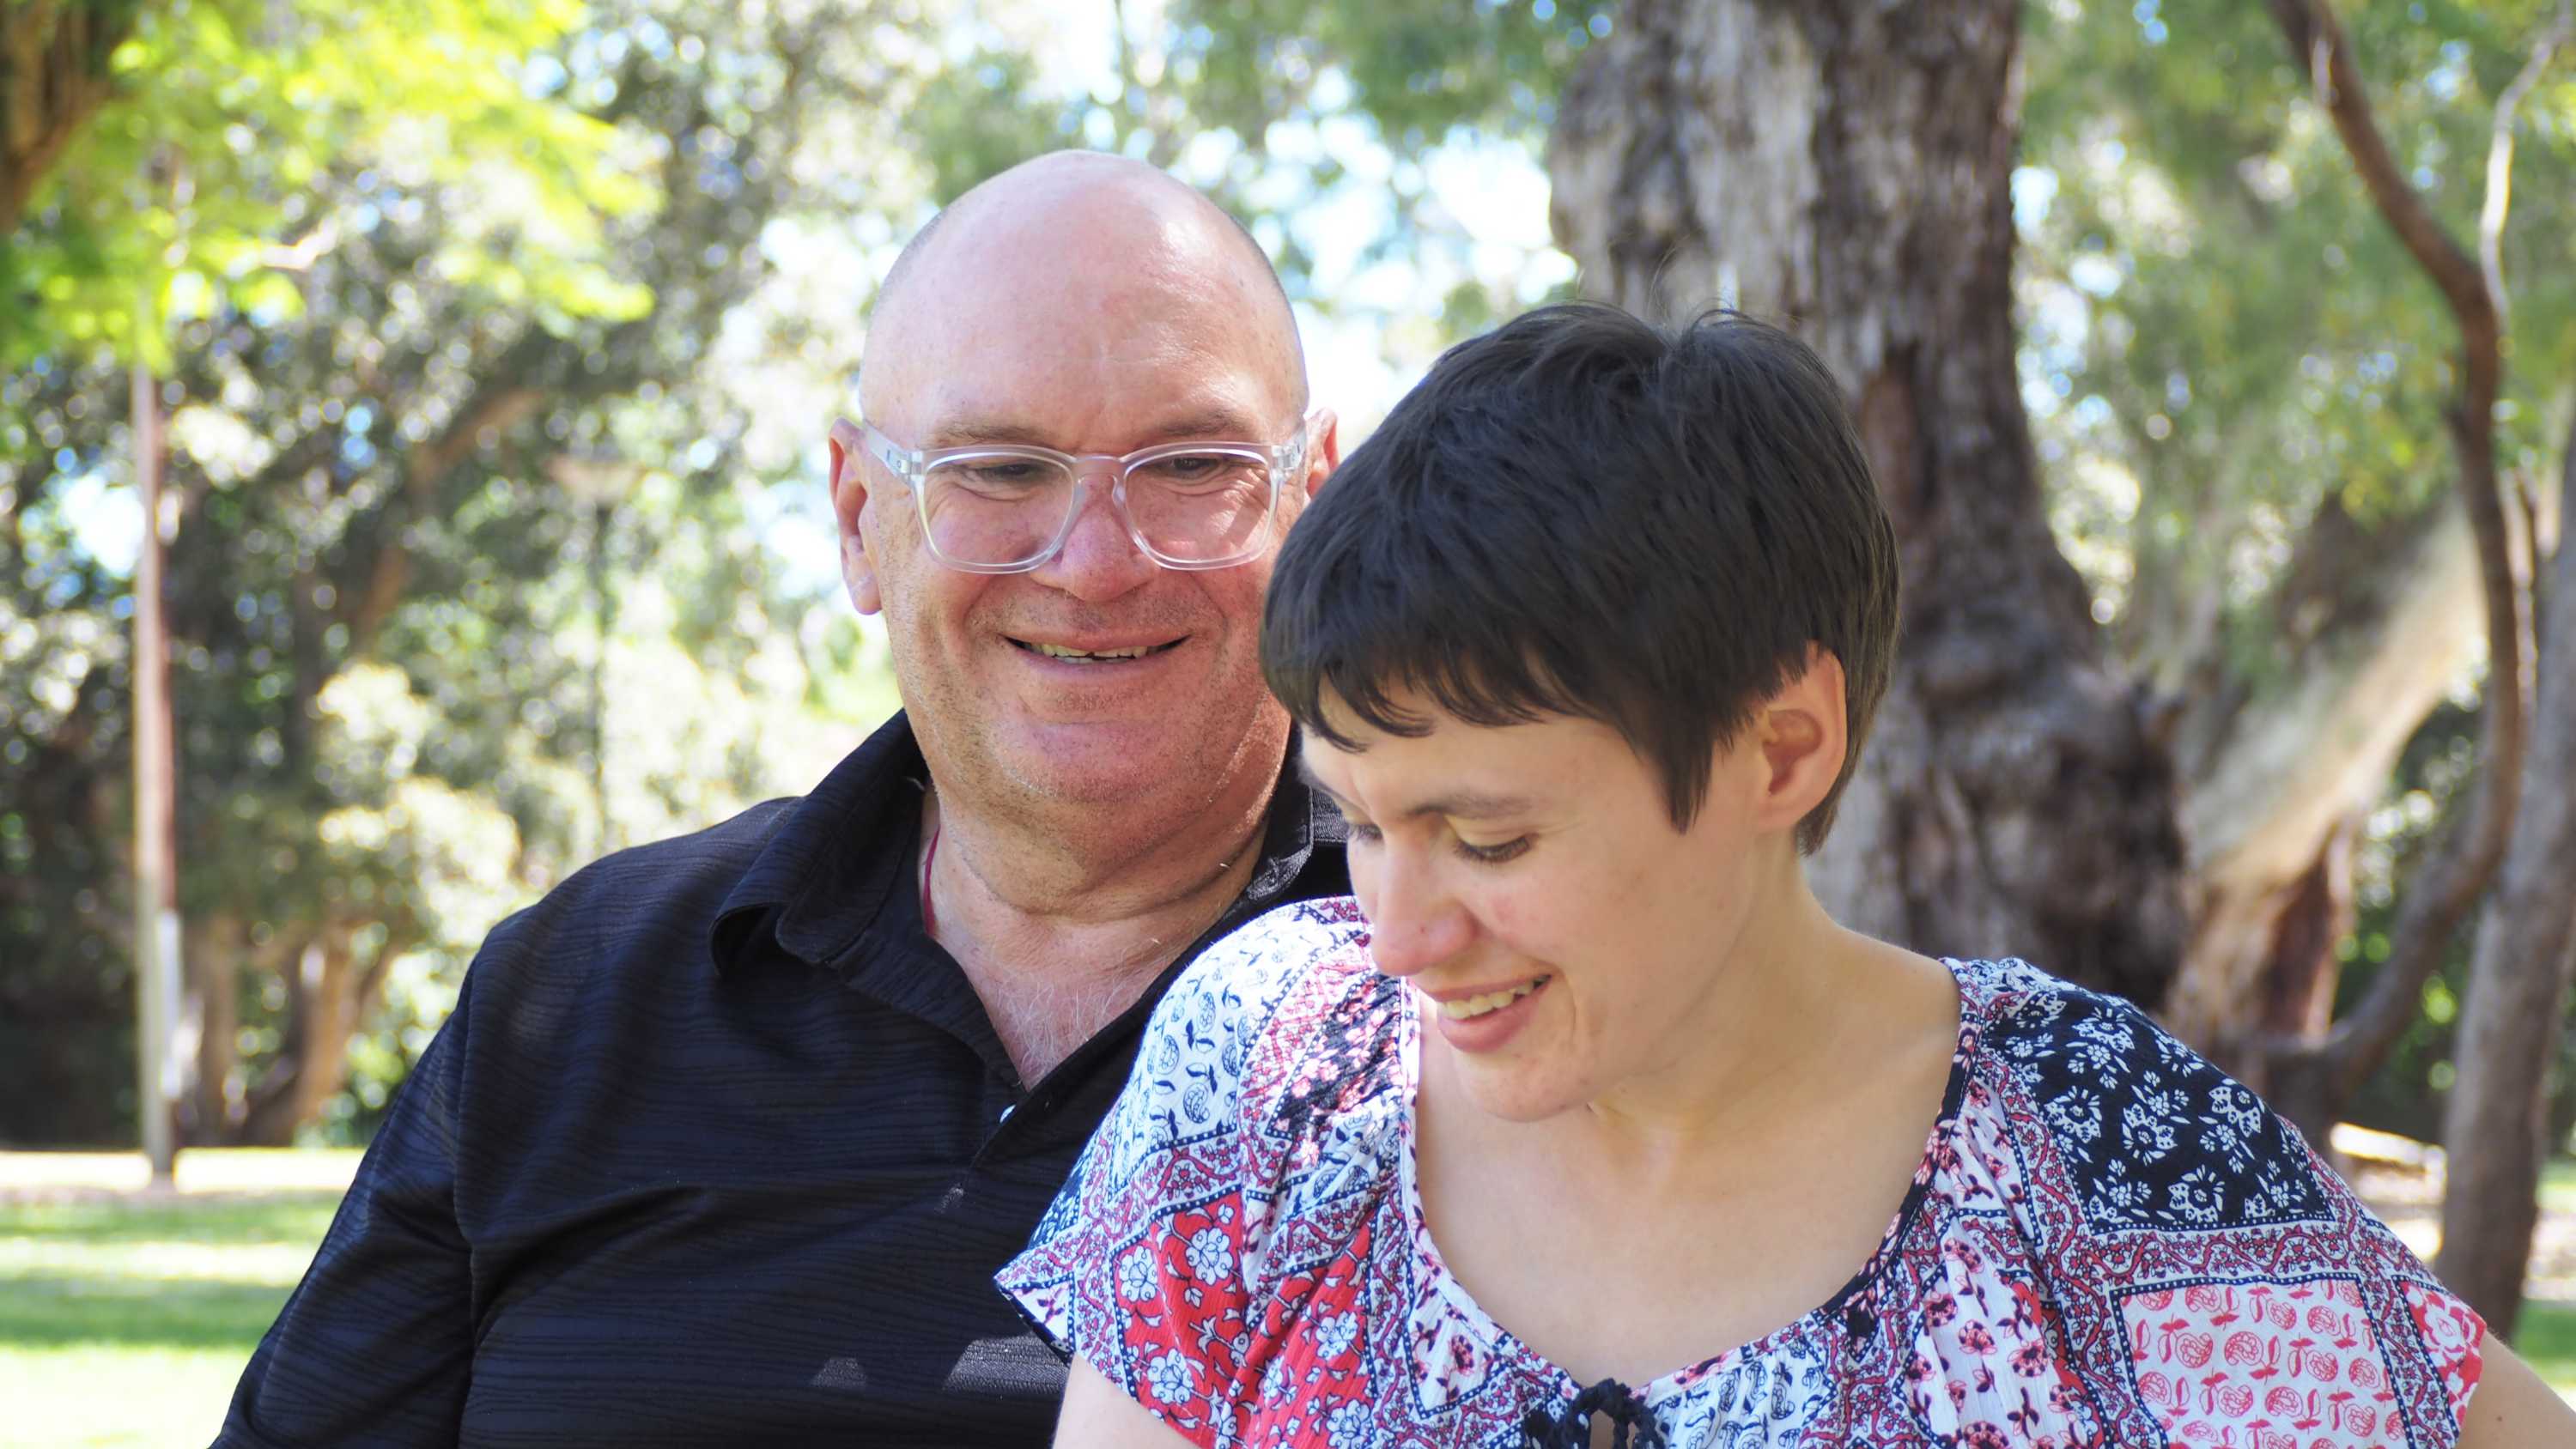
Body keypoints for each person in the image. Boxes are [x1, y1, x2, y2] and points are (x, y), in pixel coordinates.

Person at [998, 303, 2574, 1447]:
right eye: (1358, 818)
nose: (1397, 929)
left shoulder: (2099, 1151)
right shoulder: (1266, 1063)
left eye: (1491, 839)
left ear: (1783, 749)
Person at [212, 150, 1347, 1447]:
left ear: (1313, 502)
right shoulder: (578, 989)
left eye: (1191, 467)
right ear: (860, 520)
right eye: (999, 469)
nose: (1093, 564)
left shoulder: (1475, 985)